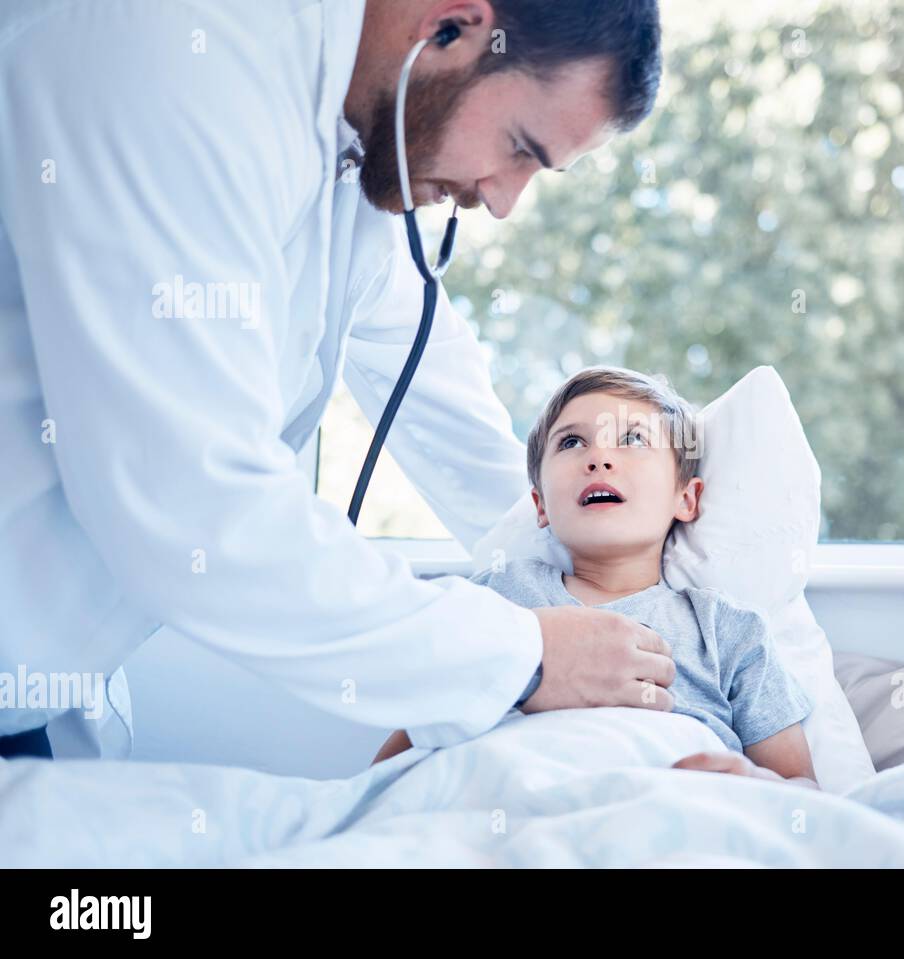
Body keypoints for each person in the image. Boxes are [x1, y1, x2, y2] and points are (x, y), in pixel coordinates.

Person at [0, 0, 671, 760]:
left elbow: (444, 401)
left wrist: (592, 560)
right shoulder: (172, 63)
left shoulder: (354, 139)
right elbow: (195, 501)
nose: (503, 200)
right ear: (453, 25)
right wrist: (526, 653)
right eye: (520, 148)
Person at [372, 367, 820, 789]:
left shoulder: (729, 631)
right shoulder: (496, 598)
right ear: (541, 506)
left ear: (686, 498)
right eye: (571, 443)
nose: (599, 458)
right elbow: (395, 764)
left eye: (631, 439)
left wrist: (751, 786)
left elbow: (802, 794)